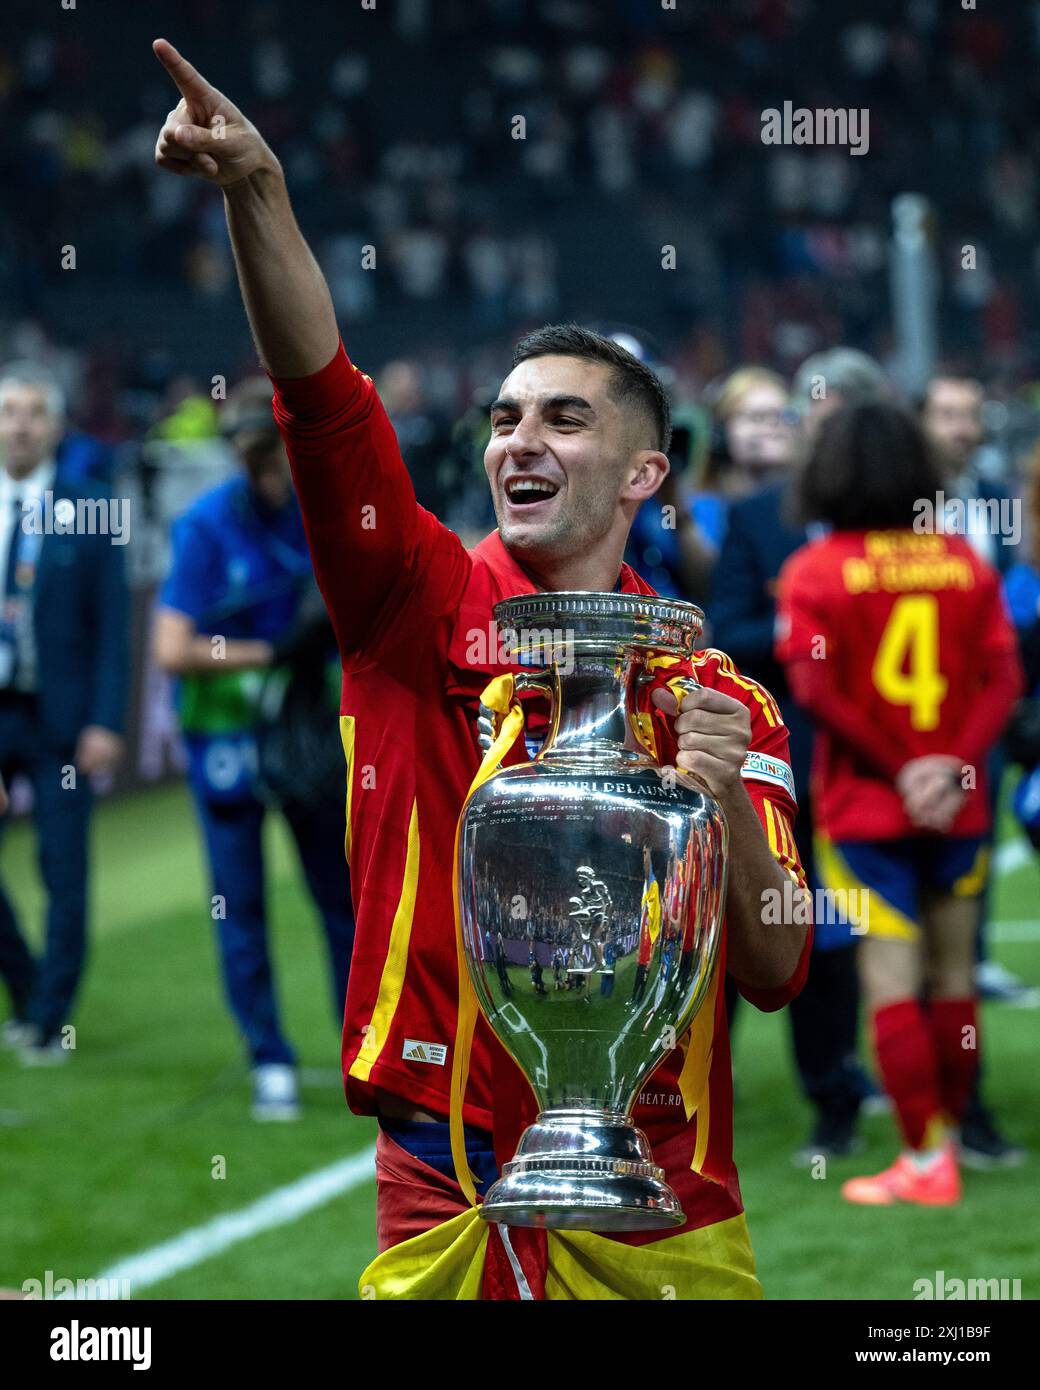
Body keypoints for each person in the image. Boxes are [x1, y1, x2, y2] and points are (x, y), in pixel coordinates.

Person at [151, 38, 813, 1299]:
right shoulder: (413, 606)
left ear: (642, 475)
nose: (519, 436)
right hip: (439, 1175)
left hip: (657, 1198)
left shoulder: (717, 695)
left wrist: (722, 794)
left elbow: (781, 965)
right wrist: (259, 195)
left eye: (563, 416)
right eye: (504, 415)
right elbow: (323, 406)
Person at [776, 401, 1023, 1206]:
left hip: (864, 809)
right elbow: (1003, 679)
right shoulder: (964, 563)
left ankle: (926, 1157)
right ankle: (951, 1131)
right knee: (953, 977)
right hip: (963, 807)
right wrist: (949, 764)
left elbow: (815, 690)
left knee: (889, 982)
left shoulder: (814, 573)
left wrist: (906, 768)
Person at [153, 376, 355, 1121]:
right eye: (258, 448)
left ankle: (359, 1052)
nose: (267, 461)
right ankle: (268, 1056)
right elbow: (172, 646)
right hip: (228, 737)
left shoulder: (322, 517)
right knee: (238, 902)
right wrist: (266, 650)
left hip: (307, 738)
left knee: (340, 897)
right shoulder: (207, 525)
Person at [713, 347, 890, 1162]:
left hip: (865, 764)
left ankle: (838, 1101)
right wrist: (805, 627)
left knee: (838, 935)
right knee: (745, 924)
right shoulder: (756, 518)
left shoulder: (889, 522)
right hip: (780, 767)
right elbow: (730, 636)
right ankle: (697, 1094)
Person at [0, 363, 129, 1063]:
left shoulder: (91, 505)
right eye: (9, 411)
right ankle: (25, 988)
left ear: (53, 426)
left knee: (62, 868)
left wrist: (106, 720)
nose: (19, 423)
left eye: (32, 412)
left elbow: (114, 626)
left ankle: (51, 1019)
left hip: (61, 717)